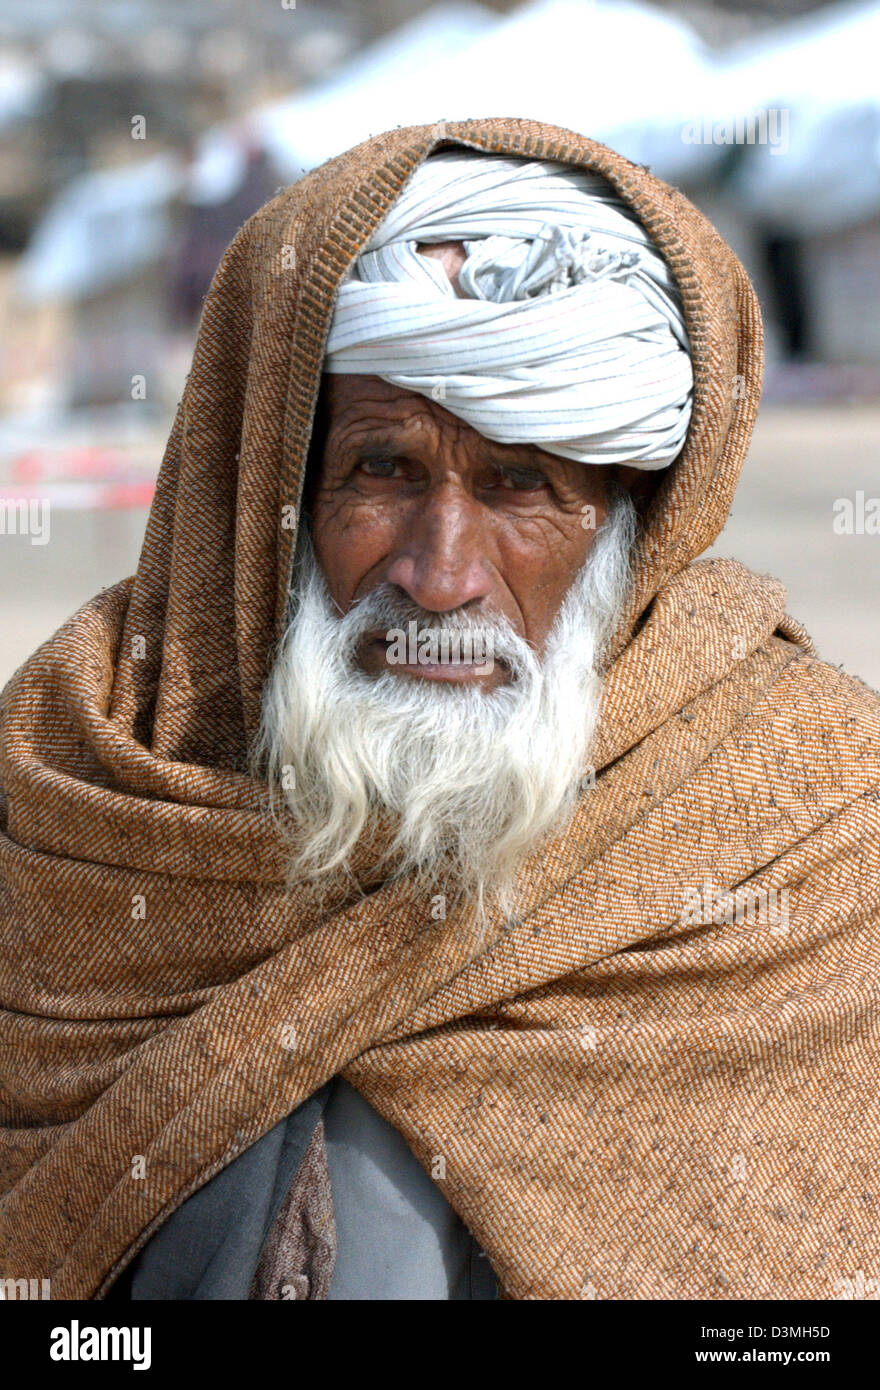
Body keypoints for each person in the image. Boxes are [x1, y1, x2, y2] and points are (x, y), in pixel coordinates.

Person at [2, 119, 879, 1303]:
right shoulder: (81, 765)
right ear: (272, 477)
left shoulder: (808, 813)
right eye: (380, 470)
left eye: (523, 485)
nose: (440, 573)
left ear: (639, 516)